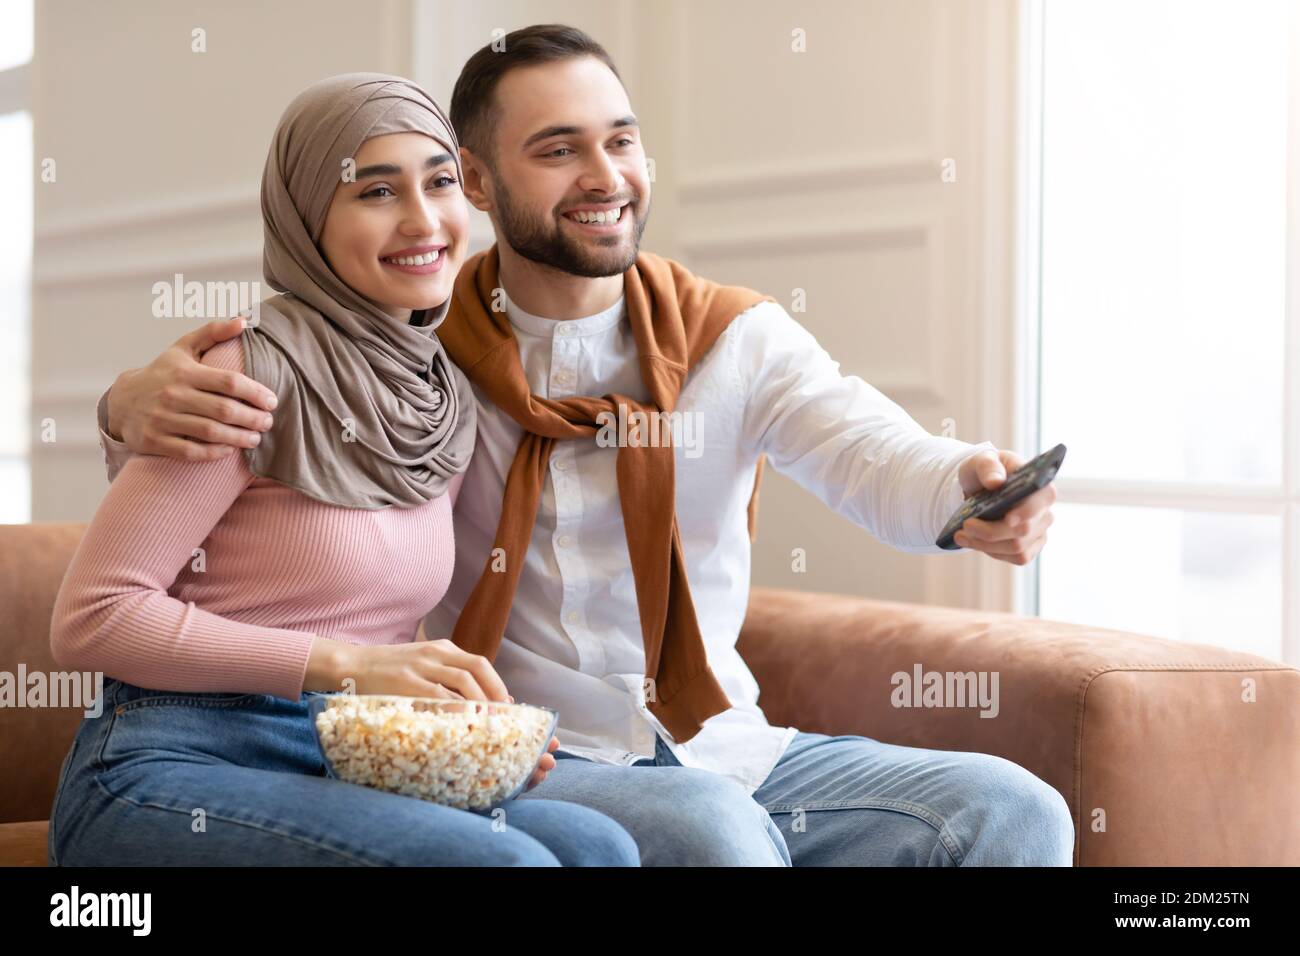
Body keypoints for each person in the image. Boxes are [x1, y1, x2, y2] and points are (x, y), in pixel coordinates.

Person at [97, 26, 1073, 866]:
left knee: (1006, 808)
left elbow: (867, 448)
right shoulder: (417, 356)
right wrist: (124, 403)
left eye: (621, 141)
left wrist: (966, 488)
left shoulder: (730, 335)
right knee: (712, 834)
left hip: (721, 742)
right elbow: (278, 392)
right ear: (479, 179)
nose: (604, 177)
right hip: (530, 752)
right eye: (558, 149)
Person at [47, 72, 639, 867]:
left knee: (598, 846)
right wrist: (349, 667)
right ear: (306, 216)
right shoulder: (247, 370)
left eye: (438, 184)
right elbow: (93, 616)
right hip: (172, 757)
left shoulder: (439, 397)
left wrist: (450, 725)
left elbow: (380, 621)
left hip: (341, 753)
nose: (423, 221)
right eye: (376, 193)